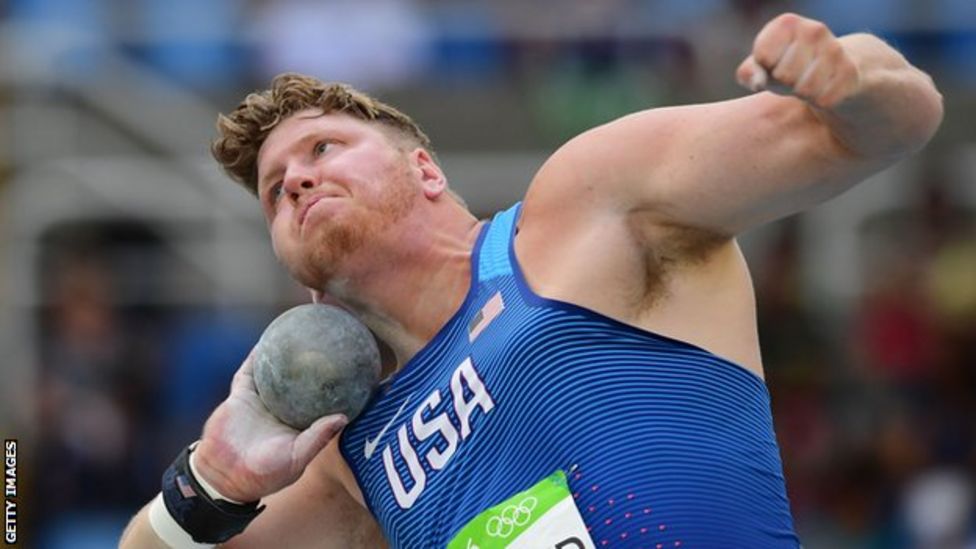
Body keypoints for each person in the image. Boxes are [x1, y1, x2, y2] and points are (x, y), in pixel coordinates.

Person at [120, 12, 942, 548]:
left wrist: (851, 77)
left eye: (323, 149)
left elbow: (891, 125)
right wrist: (211, 484)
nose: (295, 180)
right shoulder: (352, 454)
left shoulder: (588, 210)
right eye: (273, 191)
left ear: (426, 170)